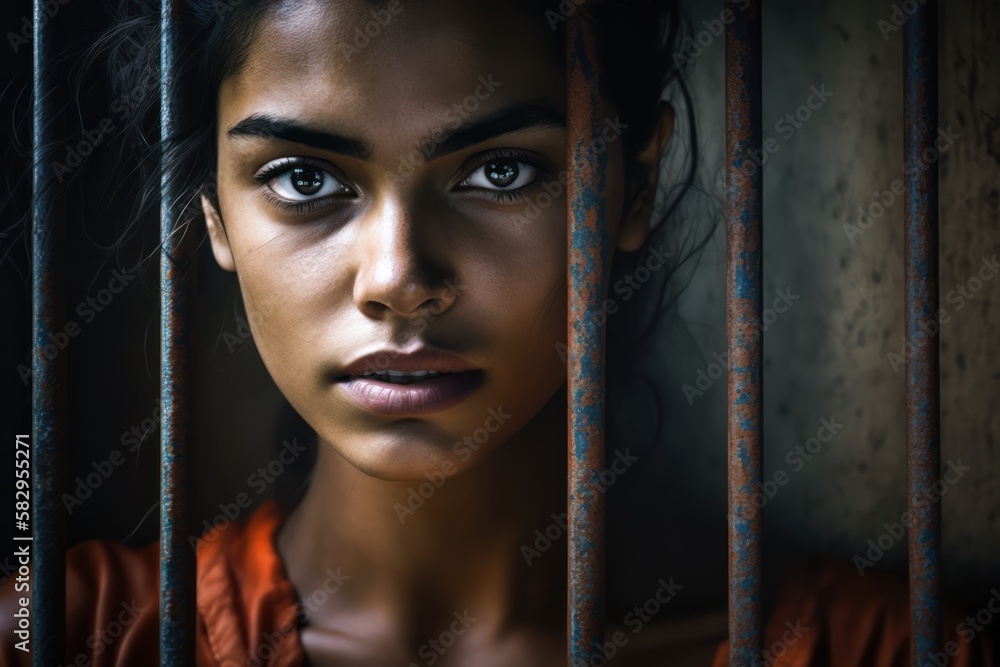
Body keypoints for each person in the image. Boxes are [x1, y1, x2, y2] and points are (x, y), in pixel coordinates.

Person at [1, 1, 993, 665]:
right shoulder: (68, 635)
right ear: (210, 211)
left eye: (500, 172)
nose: (400, 281)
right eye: (306, 179)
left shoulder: (874, 650)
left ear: (632, 184)